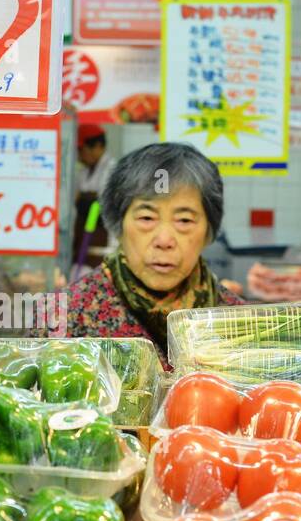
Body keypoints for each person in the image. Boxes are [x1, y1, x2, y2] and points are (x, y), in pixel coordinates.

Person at [58, 142, 242, 365]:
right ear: (119, 227)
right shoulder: (68, 316)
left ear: (208, 231)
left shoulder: (239, 322)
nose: (164, 240)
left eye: (184, 221)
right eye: (147, 218)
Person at [71, 123, 115, 271]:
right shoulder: (83, 172)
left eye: (81, 150)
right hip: (82, 244)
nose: (79, 155)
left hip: (103, 246)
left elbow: (101, 206)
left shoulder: (112, 170)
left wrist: (84, 200)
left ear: (97, 146)